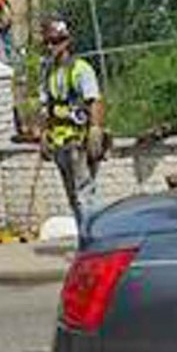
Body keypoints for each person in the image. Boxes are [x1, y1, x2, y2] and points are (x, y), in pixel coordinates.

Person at [39, 16, 106, 229]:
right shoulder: (47, 71)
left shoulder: (81, 69)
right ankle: (84, 237)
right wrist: (43, 134)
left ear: (67, 41)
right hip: (59, 141)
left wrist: (95, 129)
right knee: (72, 196)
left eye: (56, 41)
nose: (51, 46)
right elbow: (46, 106)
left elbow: (94, 100)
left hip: (79, 139)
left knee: (85, 193)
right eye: (48, 42)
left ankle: (93, 238)